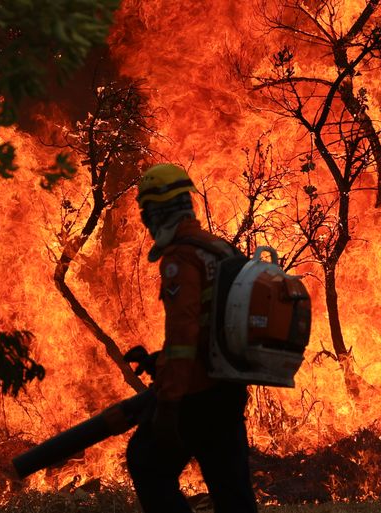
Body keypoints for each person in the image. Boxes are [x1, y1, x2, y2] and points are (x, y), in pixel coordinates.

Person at [126, 163, 258, 513]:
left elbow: (184, 334)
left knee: (146, 462)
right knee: (233, 494)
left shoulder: (180, 259)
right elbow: (210, 326)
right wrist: (159, 361)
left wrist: (168, 406)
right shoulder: (218, 249)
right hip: (228, 388)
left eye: (147, 214)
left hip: (196, 395)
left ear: (156, 212)